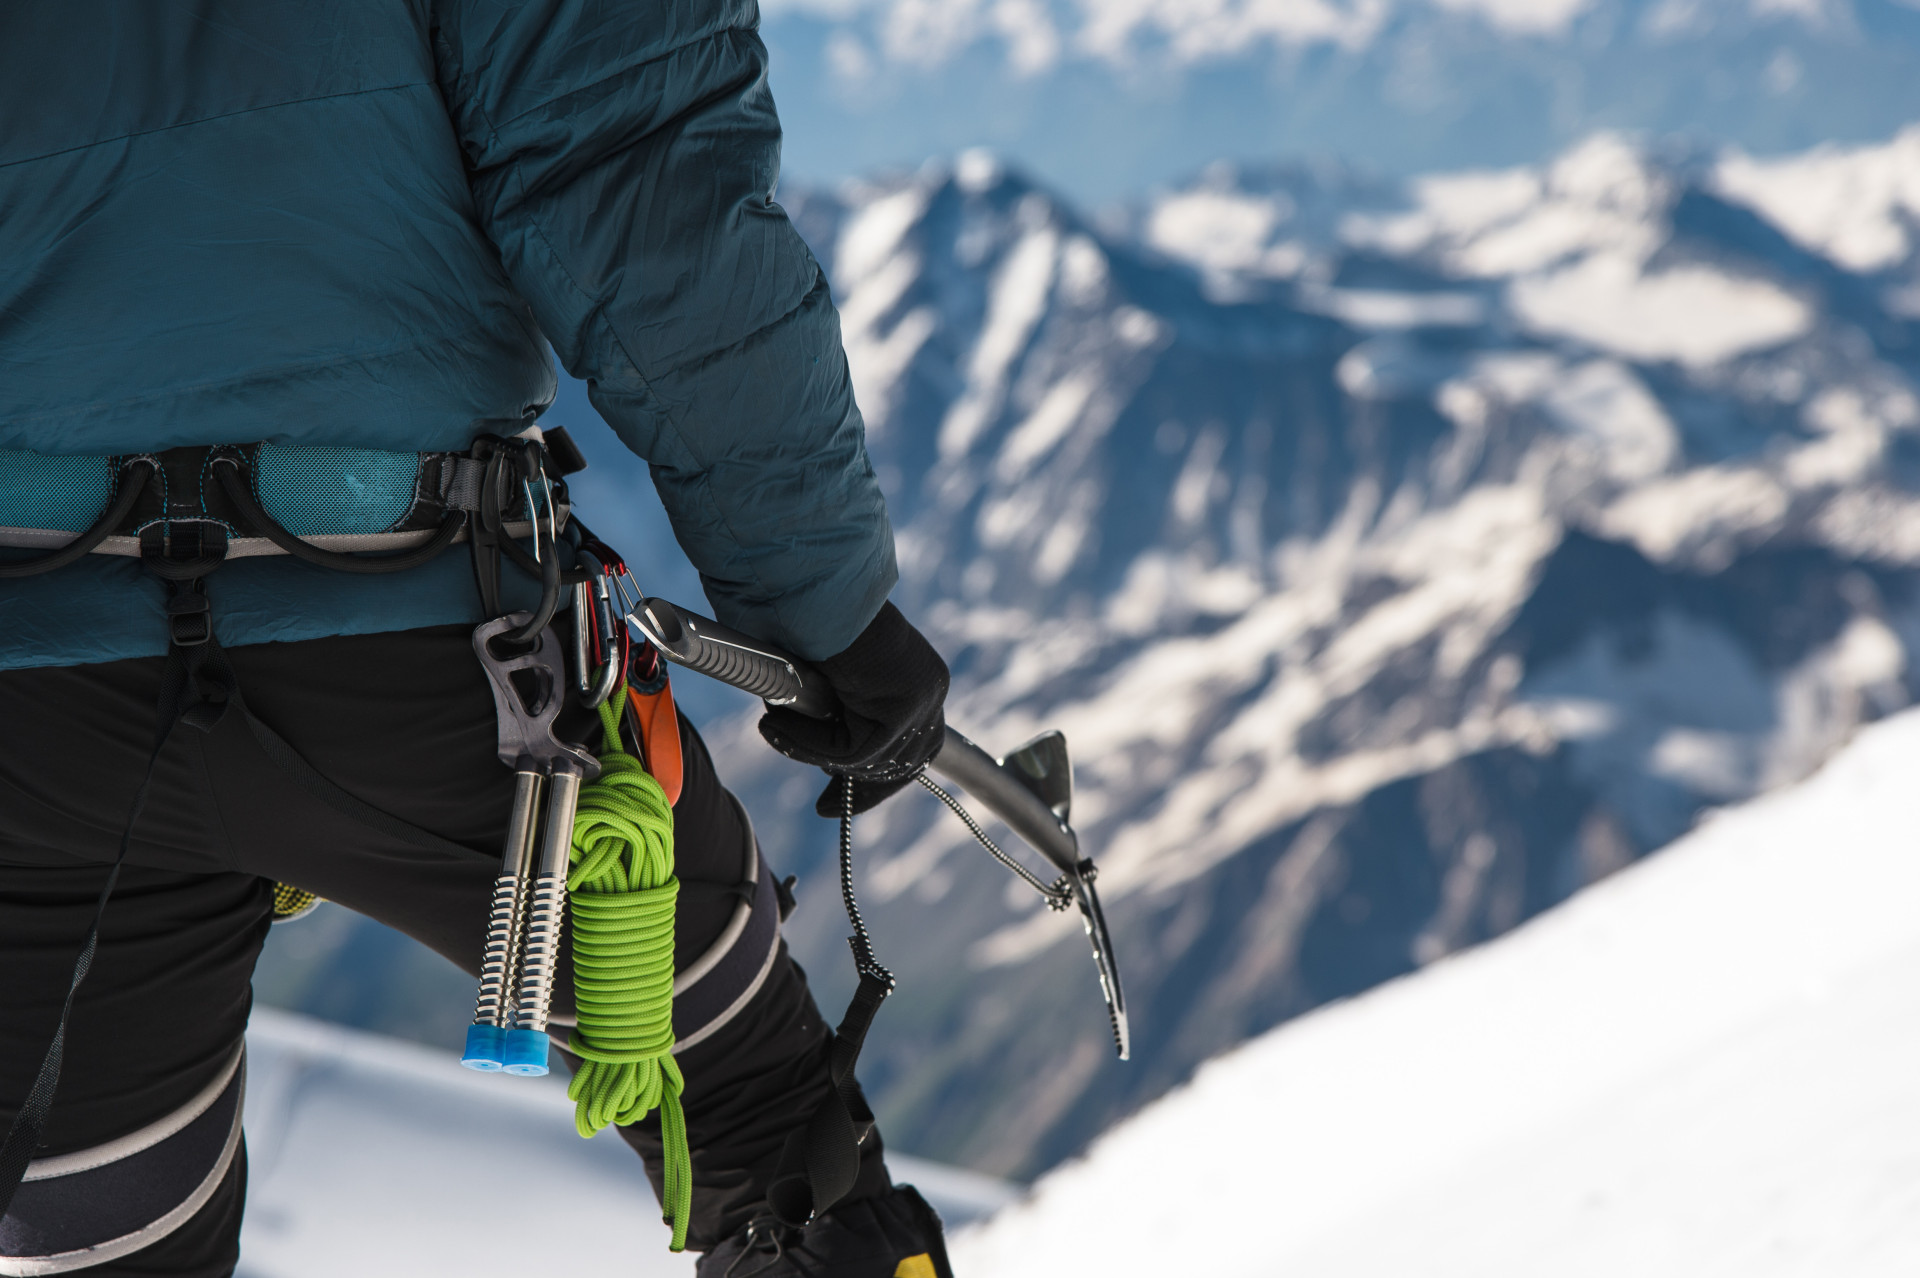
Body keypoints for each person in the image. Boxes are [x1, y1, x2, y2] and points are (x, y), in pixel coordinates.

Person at [0, 2, 955, 1274]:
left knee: (100, 1241)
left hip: (35, 712)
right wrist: (826, 606)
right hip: (444, 667)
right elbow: (640, 176)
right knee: (768, 1133)